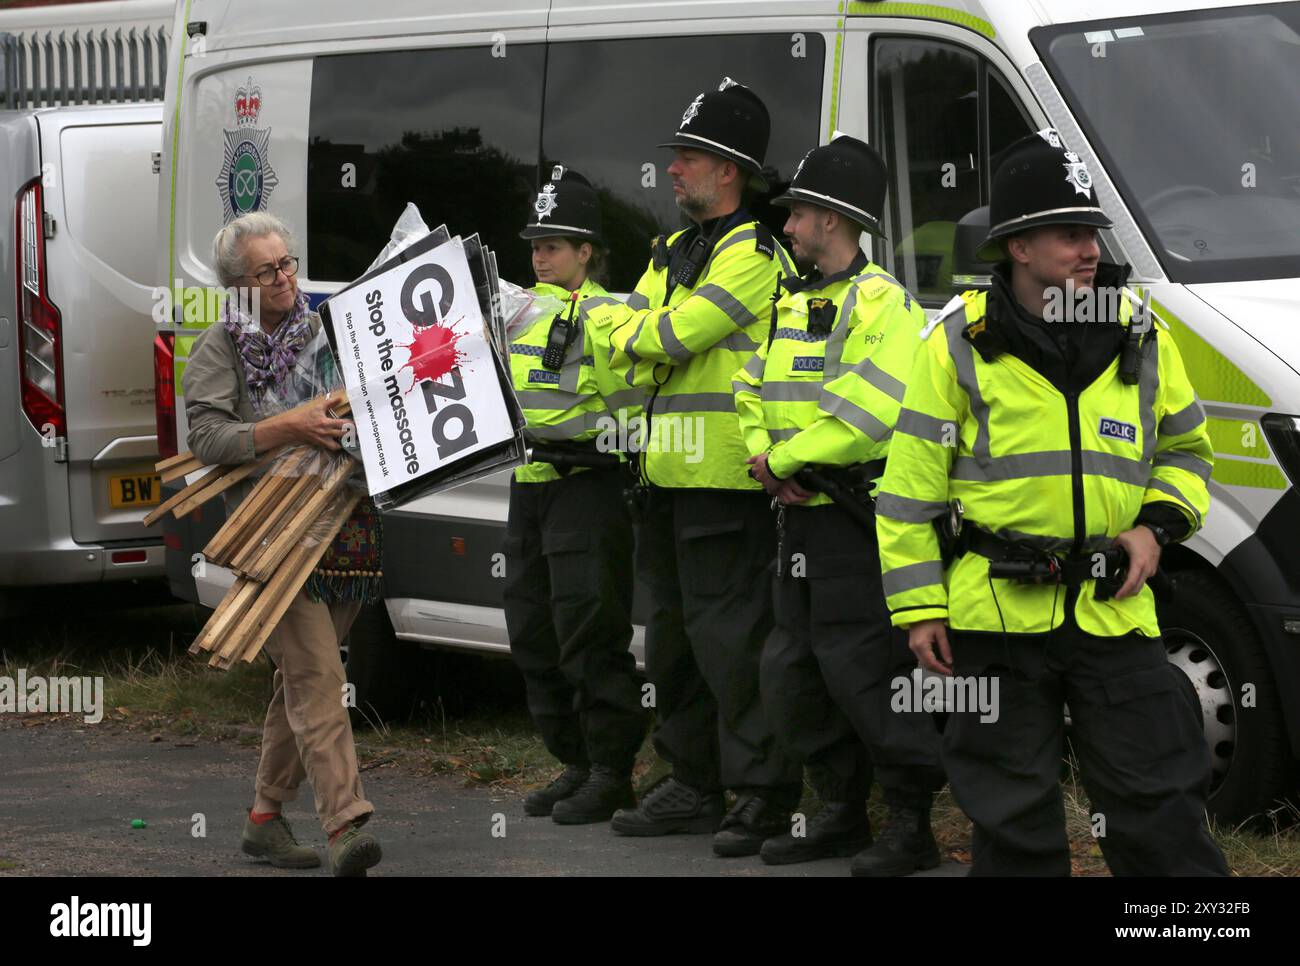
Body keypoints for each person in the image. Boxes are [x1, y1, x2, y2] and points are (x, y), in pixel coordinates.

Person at [875, 128, 1229, 876]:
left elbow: (1188, 455)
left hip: (1114, 608)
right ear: (1016, 248)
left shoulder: (1143, 335)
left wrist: (1156, 527)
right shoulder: (956, 346)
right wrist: (917, 610)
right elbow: (907, 491)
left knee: (1159, 805)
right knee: (1012, 823)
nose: (1089, 251)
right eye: (1068, 235)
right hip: (992, 619)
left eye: (1092, 233)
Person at [595, 77, 804, 857]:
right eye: (677, 156)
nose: (672, 170)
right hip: (664, 480)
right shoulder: (672, 248)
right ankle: (694, 779)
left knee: (737, 648)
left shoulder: (755, 252)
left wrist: (633, 328)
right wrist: (637, 329)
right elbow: (632, 338)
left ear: (731, 169)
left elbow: (672, 336)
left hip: (728, 483)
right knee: (675, 646)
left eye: (689, 157)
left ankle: (762, 792)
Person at [733, 133, 945, 874]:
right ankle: (840, 811)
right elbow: (747, 386)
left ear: (832, 218)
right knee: (794, 672)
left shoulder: (884, 303)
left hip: (856, 520)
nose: (786, 226)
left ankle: (911, 825)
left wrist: (782, 459)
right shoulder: (789, 299)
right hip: (794, 514)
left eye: (798, 213)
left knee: (868, 674)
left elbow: (871, 409)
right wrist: (764, 458)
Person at [184, 212, 383, 877]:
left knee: (297, 682)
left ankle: (265, 820)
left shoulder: (328, 331)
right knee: (320, 677)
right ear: (238, 284)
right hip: (271, 538)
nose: (285, 278)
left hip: (346, 527)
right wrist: (291, 425)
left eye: (288, 263)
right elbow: (209, 440)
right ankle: (347, 823)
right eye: (268, 270)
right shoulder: (219, 347)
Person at [504, 166, 647, 824]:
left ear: (587, 251)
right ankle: (576, 762)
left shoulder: (615, 314)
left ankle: (613, 771)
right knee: (532, 634)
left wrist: (594, 331)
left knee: (589, 636)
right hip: (530, 486)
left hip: (589, 487)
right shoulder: (517, 311)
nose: (540, 255)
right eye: (535, 243)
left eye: (554, 245)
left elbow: (630, 406)